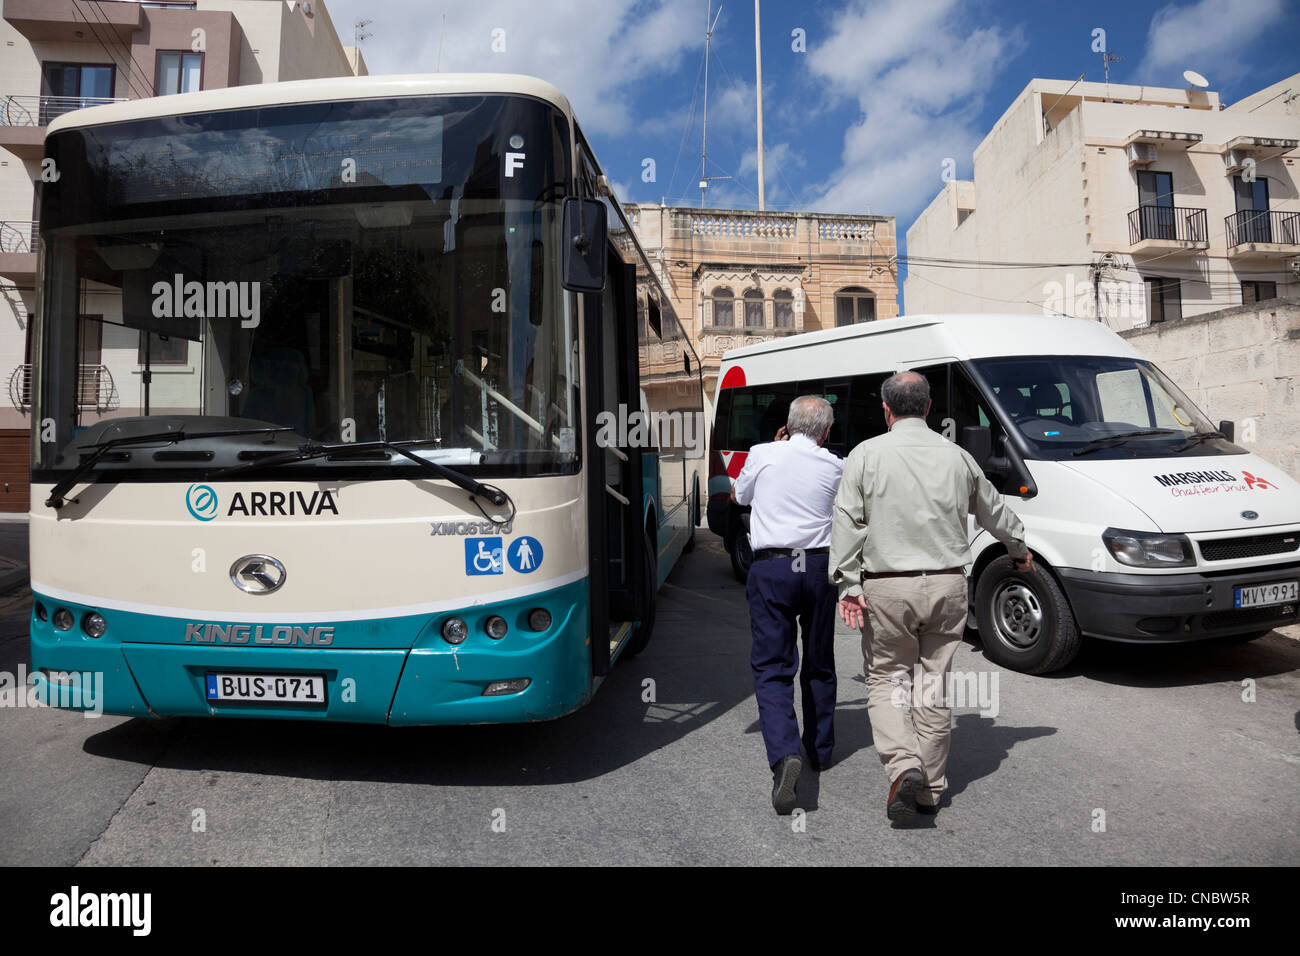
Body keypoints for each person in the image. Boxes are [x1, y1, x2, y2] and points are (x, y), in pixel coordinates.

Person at [829, 372, 1033, 823]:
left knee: (886, 680)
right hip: (947, 585)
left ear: (886, 409)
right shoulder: (956, 455)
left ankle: (904, 767)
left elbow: (847, 521)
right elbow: (994, 508)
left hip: (887, 587)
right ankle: (932, 790)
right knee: (933, 683)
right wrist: (1019, 551)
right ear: (927, 408)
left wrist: (847, 585)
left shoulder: (865, 455)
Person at [732, 395, 843, 815]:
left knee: (773, 667)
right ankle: (820, 749)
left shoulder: (763, 453)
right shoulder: (836, 465)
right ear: (827, 432)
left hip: (773, 568)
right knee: (819, 661)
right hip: (817, 566)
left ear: (787, 426)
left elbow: (741, 495)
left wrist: (773, 447)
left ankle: (784, 753)